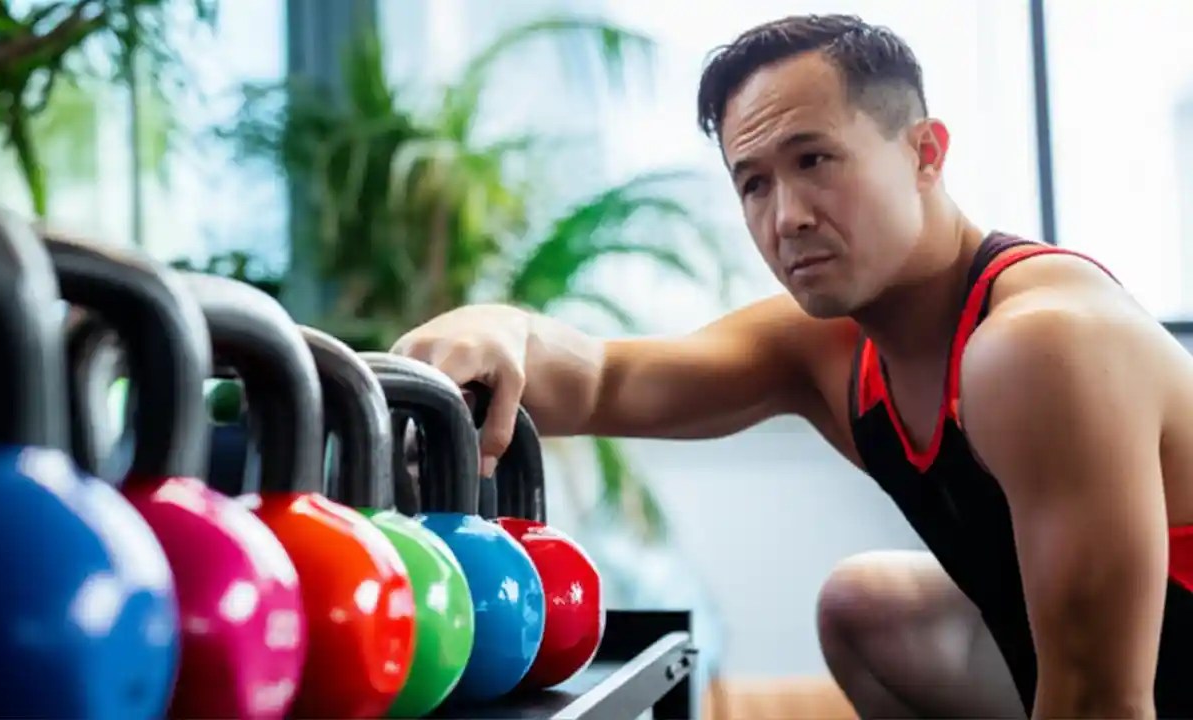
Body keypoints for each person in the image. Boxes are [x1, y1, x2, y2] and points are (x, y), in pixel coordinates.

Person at [391, 13, 1193, 719]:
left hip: (1130, 694)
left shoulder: (1041, 346)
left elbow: (1102, 704)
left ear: (926, 153)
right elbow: (603, 379)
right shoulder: (830, 352)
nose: (787, 218)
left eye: (814, 160)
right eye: (754, 184)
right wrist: (499, 327)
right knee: (866, 610)